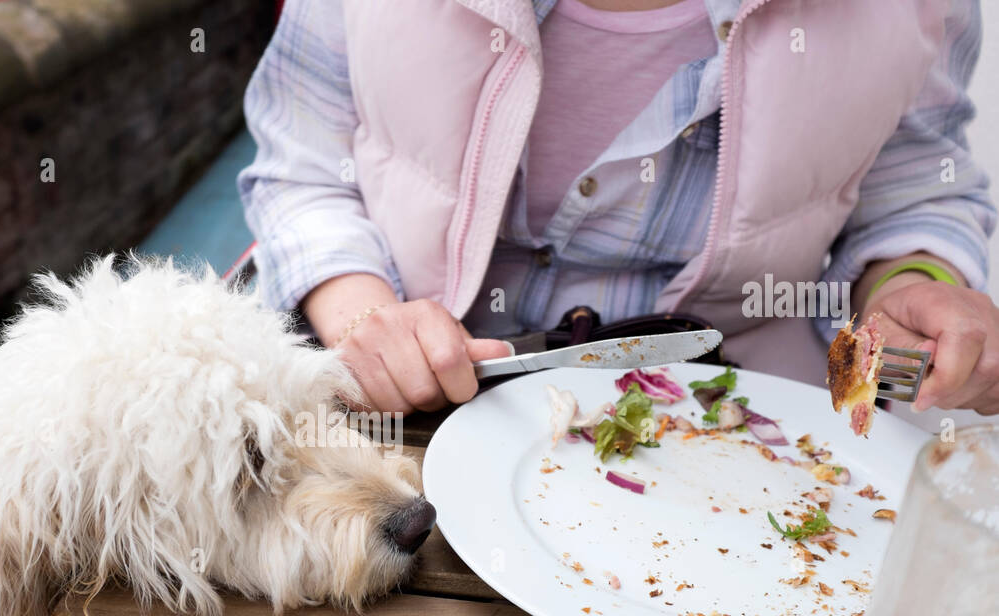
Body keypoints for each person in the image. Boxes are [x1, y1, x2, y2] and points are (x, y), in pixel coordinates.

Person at [238, 0, 998, 416]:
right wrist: (364, 319)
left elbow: (911, 185)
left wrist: (911, 290)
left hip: (738, 437)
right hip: (411, 415)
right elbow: (301, 164)